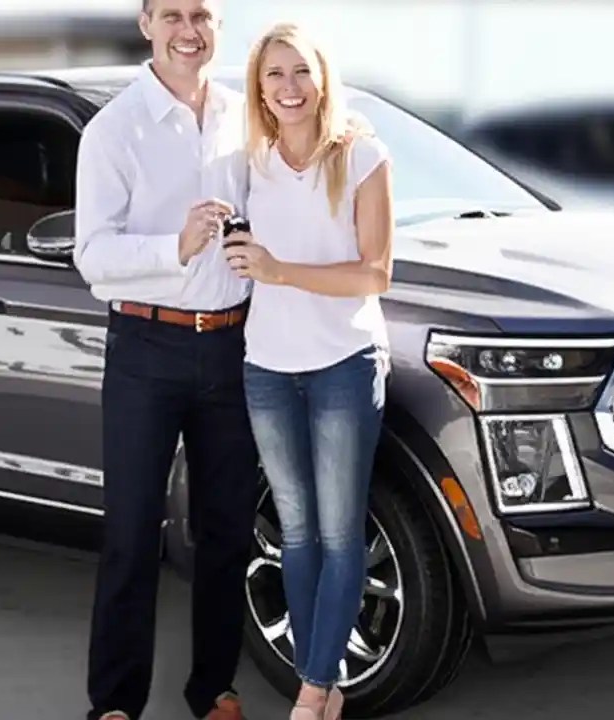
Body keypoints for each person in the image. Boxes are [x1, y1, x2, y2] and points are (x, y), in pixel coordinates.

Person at [72, 1, 260, 719]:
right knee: (130, 531)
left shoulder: (245, 117)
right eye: (174, 14)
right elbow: (92, 257)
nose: (190, 30)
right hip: (146, 350)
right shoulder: (113, 131)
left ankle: (214, 690)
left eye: (204, 14)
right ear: (146, 22)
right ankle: (115, 705)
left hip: (233, 346)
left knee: (227, 530)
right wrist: (173, 247)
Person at [222, 21, 395, 720]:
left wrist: (277, 270)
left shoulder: (361, 155)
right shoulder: (249, 162)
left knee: (337, 533)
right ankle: (324, 685)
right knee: (294, 533)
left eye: (300, 72)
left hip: (343, 366)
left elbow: (374, 274)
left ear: (322, 78)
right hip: (266, 366)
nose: (288, 87)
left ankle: (312, 692)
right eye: (273, 75)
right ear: (258, 90)